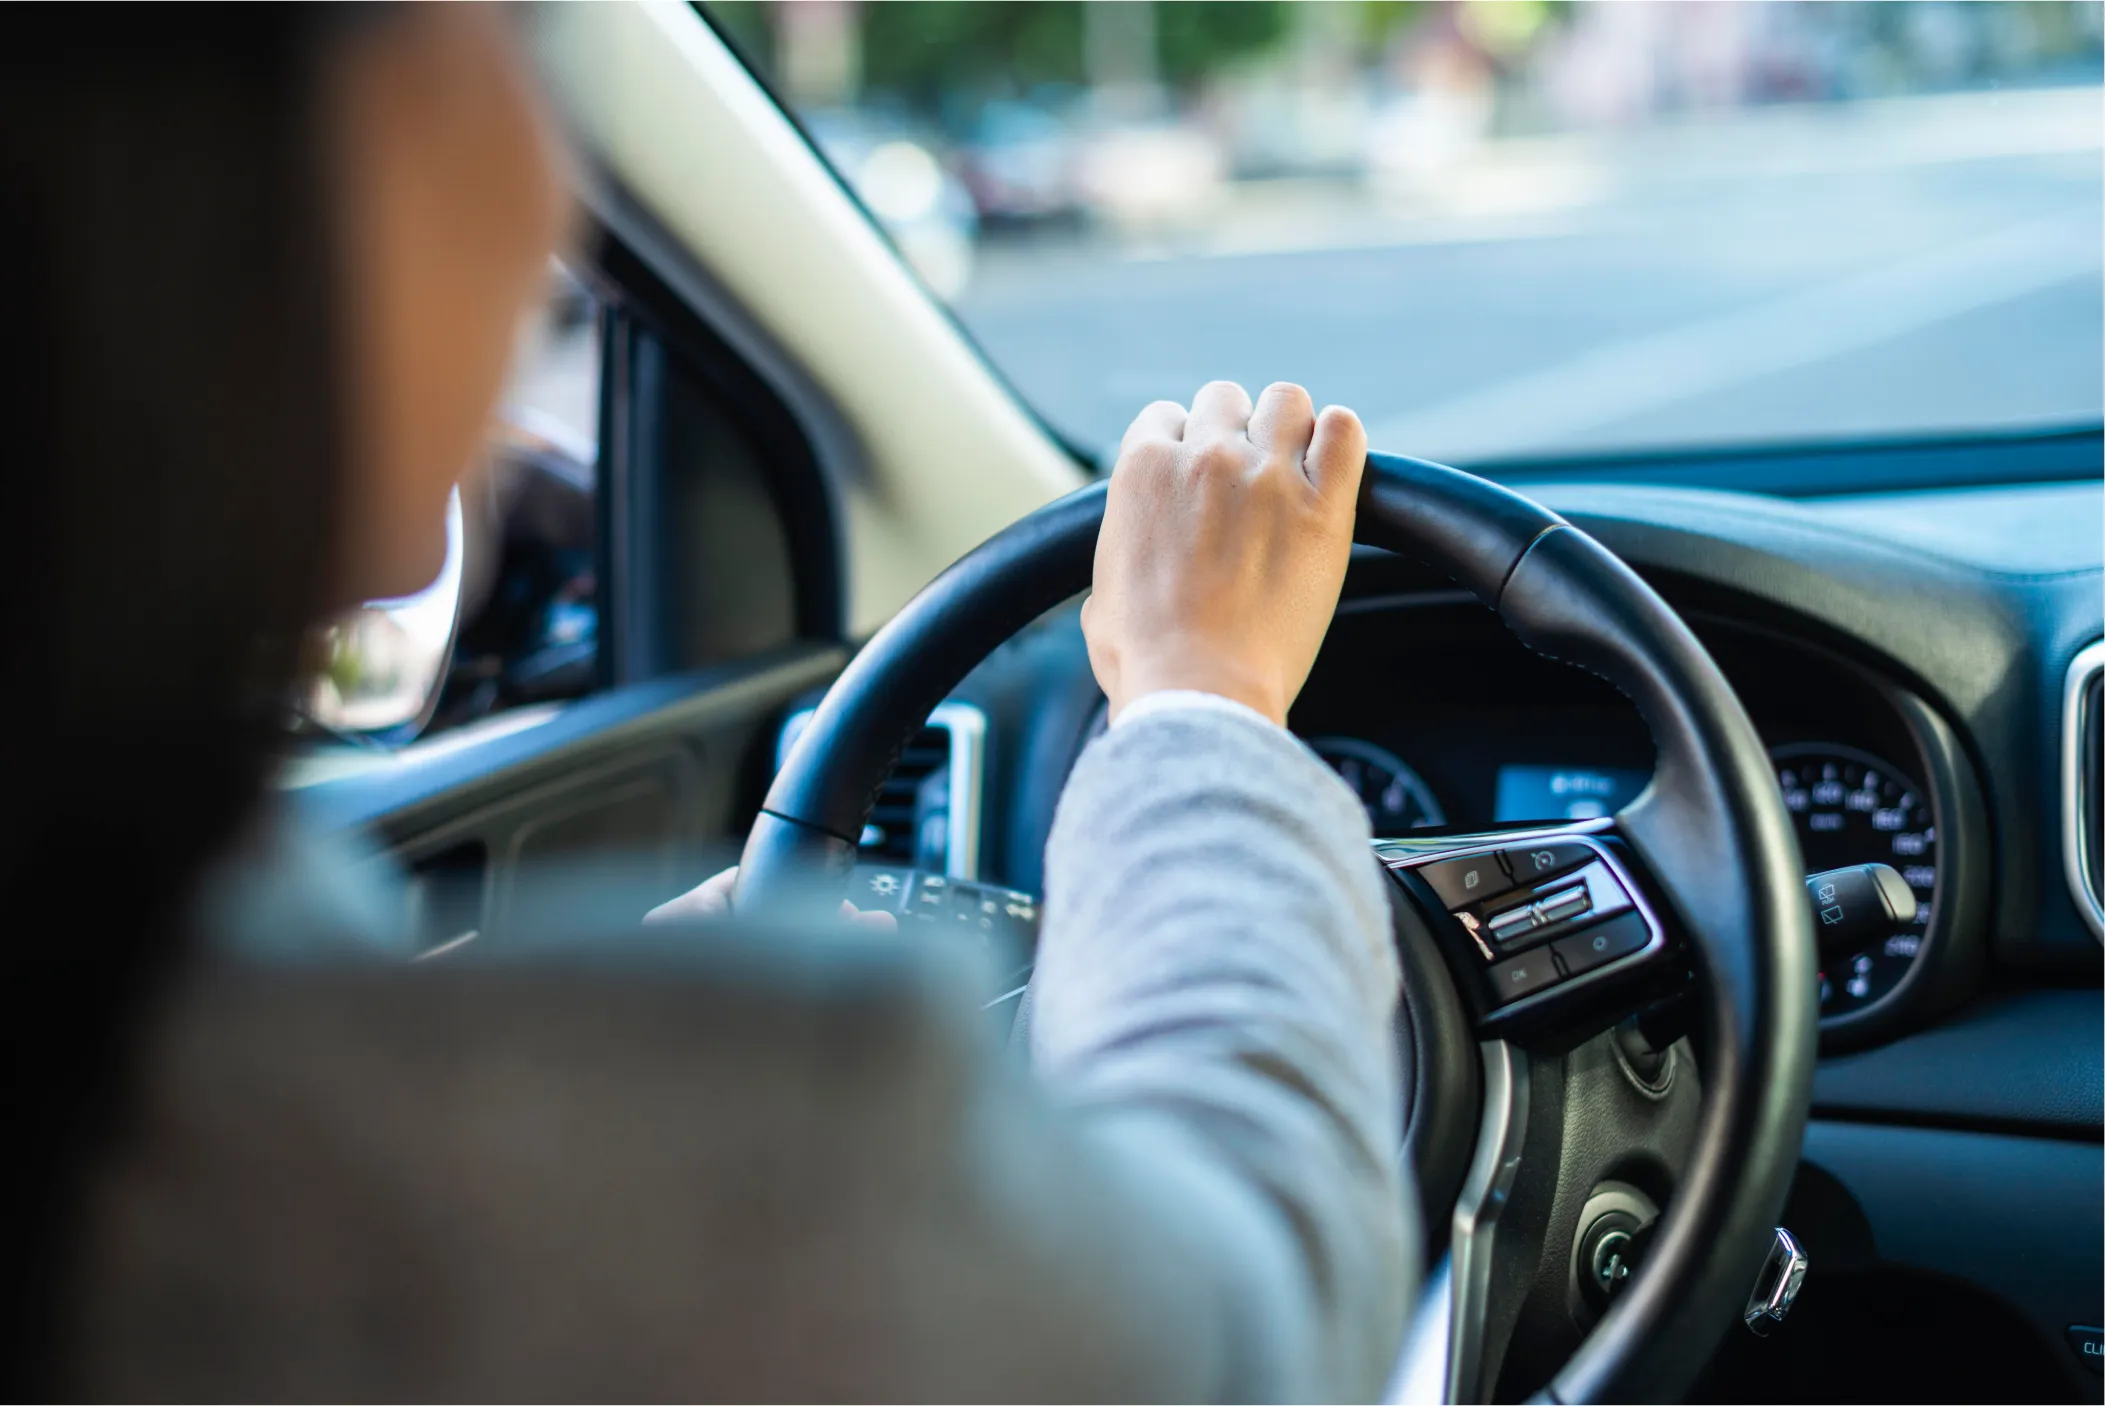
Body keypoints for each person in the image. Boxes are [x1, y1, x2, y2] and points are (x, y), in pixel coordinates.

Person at [8, 8, 1410, 1400]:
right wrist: (1202, 698)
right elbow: (1253, 1322)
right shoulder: (703, 1153)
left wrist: (614, 1019)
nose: (552, 180)